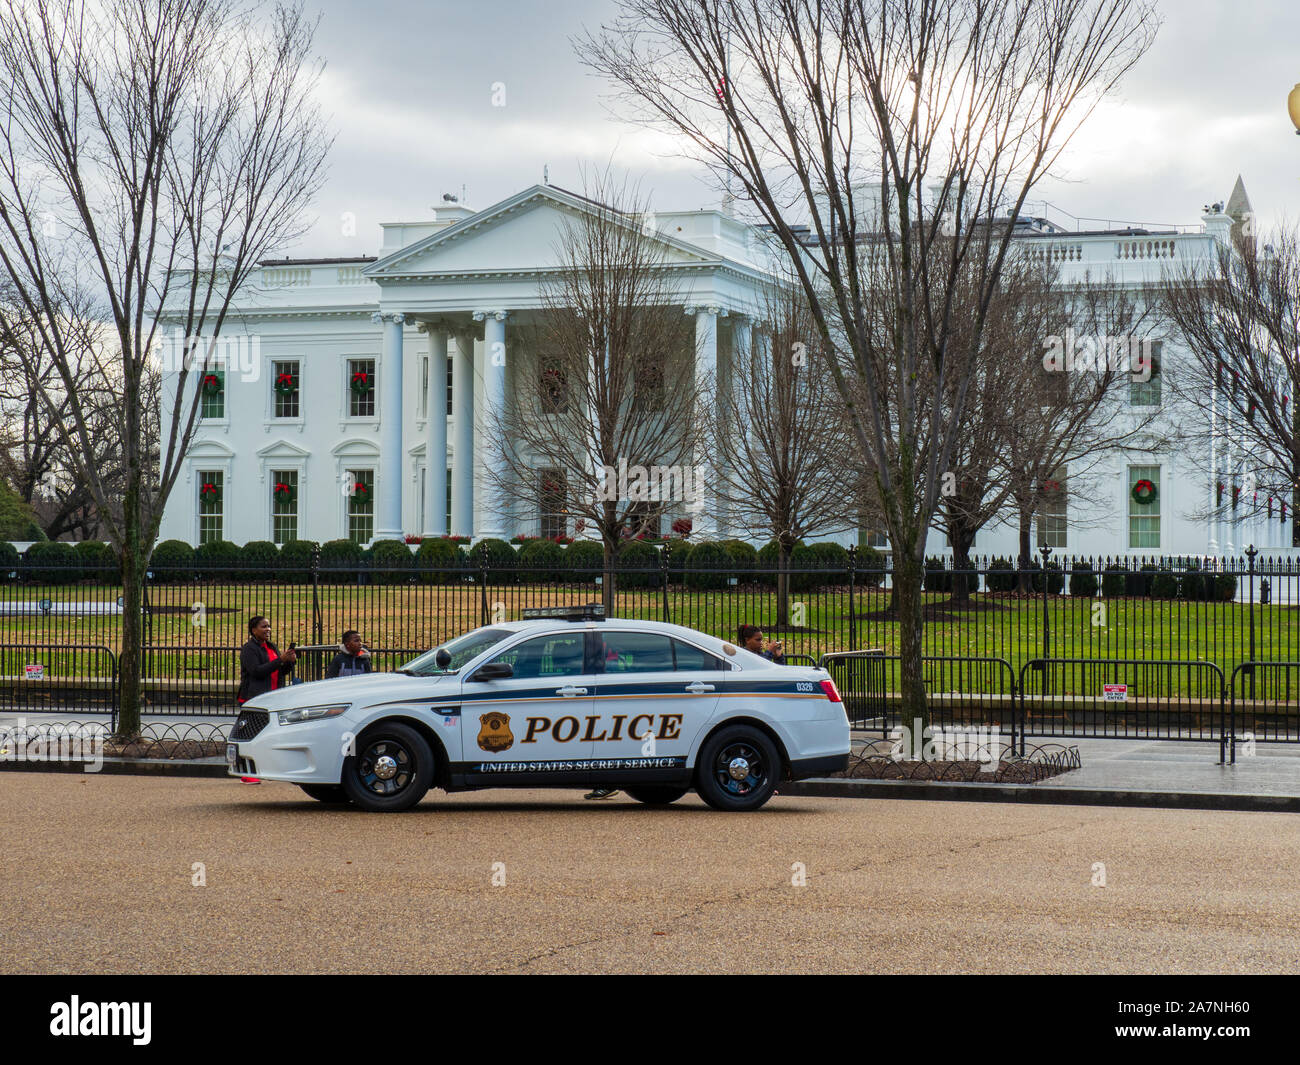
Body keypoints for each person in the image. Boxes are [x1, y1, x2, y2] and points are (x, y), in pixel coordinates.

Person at [238, 615, 297, 705]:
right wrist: (280, 659)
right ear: (254, 630)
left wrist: (289, 661)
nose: (268, 629)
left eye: (269, 626)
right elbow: (256, 671)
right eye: (264, 627)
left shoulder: (272, 646)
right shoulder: (249, 648)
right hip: (254, 698)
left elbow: (280, 672)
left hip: (274, 696)